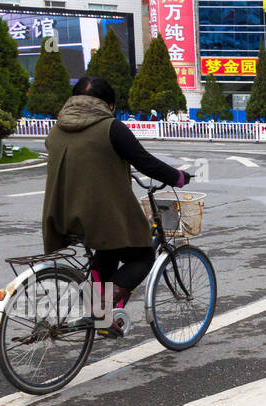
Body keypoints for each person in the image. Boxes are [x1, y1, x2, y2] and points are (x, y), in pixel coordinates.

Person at [42, 76, 189, 337]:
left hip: (62, 214)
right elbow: (145, 162)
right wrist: (178, 177)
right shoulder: (111, 127)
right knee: (143, 256)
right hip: (100, 215)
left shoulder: (56, 130)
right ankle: (101, 308)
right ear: (109, 105)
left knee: (107, 252)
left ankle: (99, 314)